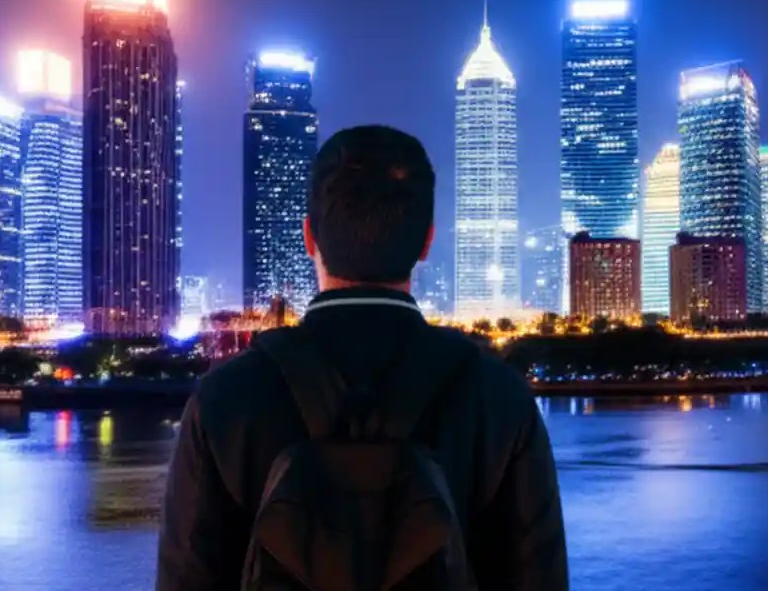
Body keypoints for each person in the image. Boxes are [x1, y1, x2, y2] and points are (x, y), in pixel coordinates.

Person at [157, 125, 568, 590]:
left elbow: (186, 577)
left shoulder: (225, 399)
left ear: (309, 236)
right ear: (427, 242)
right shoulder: (499, 398)